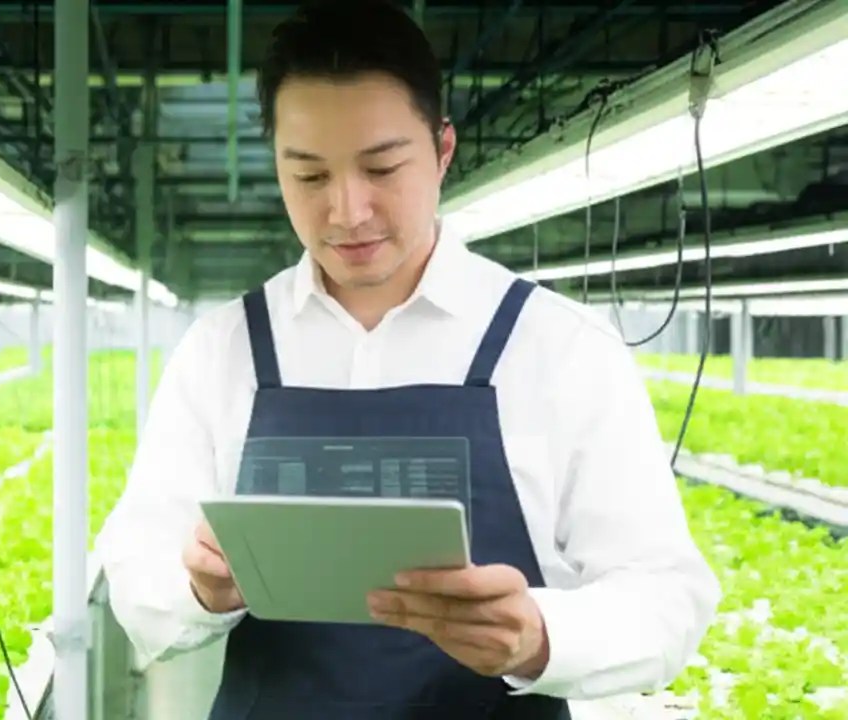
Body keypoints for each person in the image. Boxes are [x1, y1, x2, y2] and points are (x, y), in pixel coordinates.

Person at [94, 1, 720, 717]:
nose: (348, 210)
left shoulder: (558, 349)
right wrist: (196, 587)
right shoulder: (223, 351)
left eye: (382, 166)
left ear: (443, 149)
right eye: (309, 177)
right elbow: (136, 571)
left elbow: (667, 596)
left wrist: (540, 636)